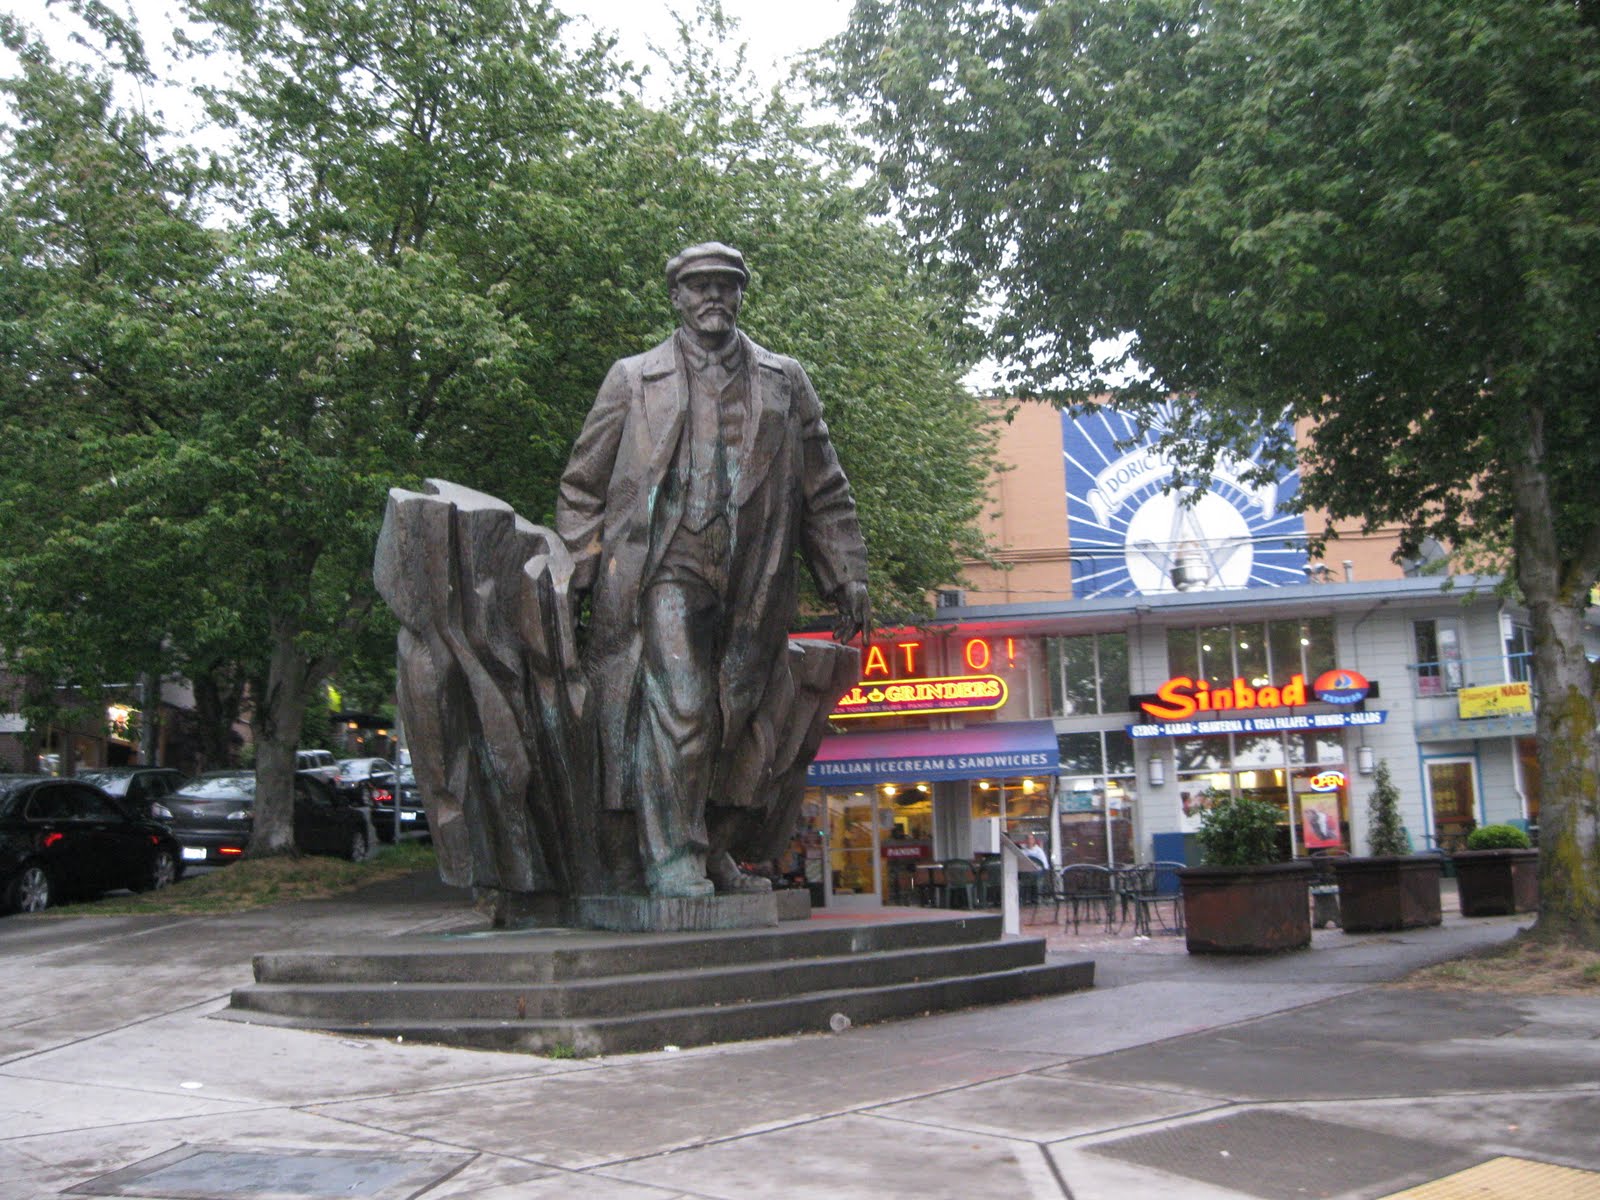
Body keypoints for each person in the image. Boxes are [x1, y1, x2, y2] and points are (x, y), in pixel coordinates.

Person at [556, 242, 870, 899]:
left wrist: (845, 572)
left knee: (738, 716)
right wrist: (579, 565)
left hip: (755, 574)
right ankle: (670, 856)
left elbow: (824, 486)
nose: (712, 298)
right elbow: (583, 485)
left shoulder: (785, 380)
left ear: (740, 296)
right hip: (663, 566)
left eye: (725, 287)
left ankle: (708, 846)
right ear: (676, 297)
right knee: (686, 708)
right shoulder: (632, 379)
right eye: (699, 286)